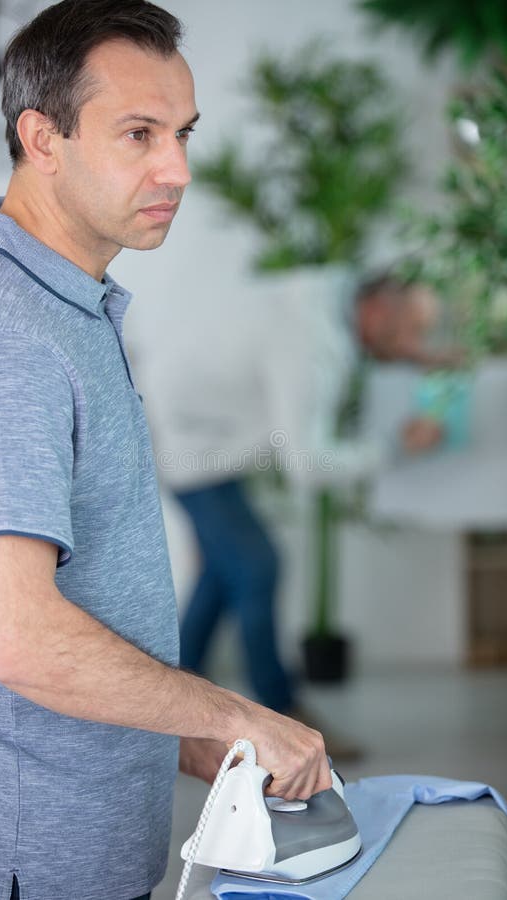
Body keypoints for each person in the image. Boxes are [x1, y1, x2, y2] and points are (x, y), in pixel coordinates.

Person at [0, 4, 333, 900]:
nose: (178, 169)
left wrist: (178, 728)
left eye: (183, 133)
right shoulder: (10, 336)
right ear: (43, 137)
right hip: (30, 863)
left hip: (82, 841)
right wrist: (232, 710)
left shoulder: (64, 305)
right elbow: (17, 635)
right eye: (140, 134)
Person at [138, 271, 457, 765]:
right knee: (258, 567)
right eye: (412, 330)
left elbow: (368, 351)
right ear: (376, 313)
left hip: (200, 436)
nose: (415, 343)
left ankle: (165, 717)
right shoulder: (312, 344)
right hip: (189, 445)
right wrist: (395, 447)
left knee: (227, 576)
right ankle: (280, 708)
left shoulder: (325, 296)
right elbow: (307, 465)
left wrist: (410, 354)